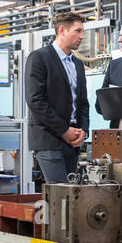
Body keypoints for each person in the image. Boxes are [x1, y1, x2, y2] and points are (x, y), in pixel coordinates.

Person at [25, 12, 89, 185]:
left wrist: (83, 130)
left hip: (72, 141)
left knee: (71, 195)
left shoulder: (77, 64)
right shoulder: (39, 58)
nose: (82, 36)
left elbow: (82, 102)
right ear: (62, 30)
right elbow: (36, 101)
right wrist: (63, 131)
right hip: (49, 139)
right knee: (60, 196)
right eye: (78, 31)